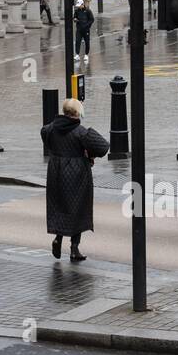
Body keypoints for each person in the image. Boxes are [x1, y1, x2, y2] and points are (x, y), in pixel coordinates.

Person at [42, 98, 110, 255]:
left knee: (60, 206)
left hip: (55, 172)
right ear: (77, 113)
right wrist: (89, 154)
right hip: (77, 173)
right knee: (77, 207)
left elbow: (45, 135)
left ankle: (58, 238)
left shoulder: (50, 129)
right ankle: (74, 248)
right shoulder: (80, 132)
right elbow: (103, 147)